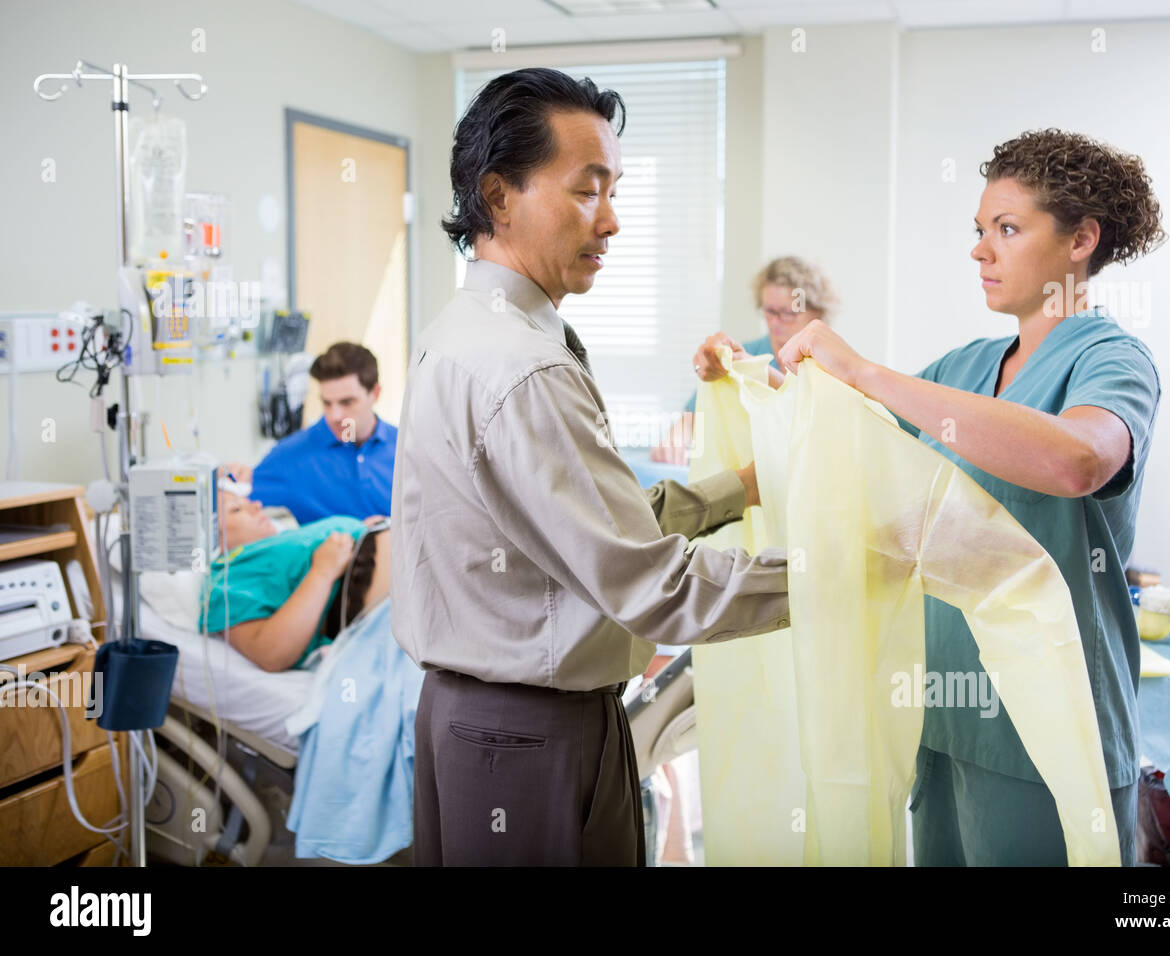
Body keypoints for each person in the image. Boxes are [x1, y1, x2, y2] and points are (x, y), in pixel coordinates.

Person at [695, 128, 1165, 866]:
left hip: (1045, 724)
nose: (980, 250)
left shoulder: (1112, 359)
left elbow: (1079, 460)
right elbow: (838, 459)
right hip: (943, 712)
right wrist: (740, 387)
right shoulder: (968, 365)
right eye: (979, 231)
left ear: (1082, 241)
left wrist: (869, 373)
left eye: (1007, 229)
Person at [391, 67, 791, 867]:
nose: (611, 222)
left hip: (473, 722)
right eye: (587, 191)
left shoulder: (467, 329)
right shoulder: (523, 368)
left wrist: (735, 491)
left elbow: (579, 525)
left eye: (613, 191)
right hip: (532, 736)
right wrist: (847, 570)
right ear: (498, 197)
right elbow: (653, 586)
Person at [650, 256, 838, 464]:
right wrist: (677, 437)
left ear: (816, 312)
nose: (775, 322)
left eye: (787, 313)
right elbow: (695, 413)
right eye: (769, 311)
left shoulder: (834, 366)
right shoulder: (745, 355)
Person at [201, 493, 390, 672]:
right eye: (236, 509)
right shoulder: (225, 578)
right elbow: (269, 653)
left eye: (246, 500)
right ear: (208, 536)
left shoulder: (281, 540)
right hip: (368, 588)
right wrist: (322, 572)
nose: (256, 505)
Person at [222, 342, 396, 525]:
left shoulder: (406, 449)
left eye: (347, 403)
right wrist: (223, 478)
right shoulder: (291, 456)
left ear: (375, 393)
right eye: (327, 403)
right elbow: (229, 498)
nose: (335, 416)